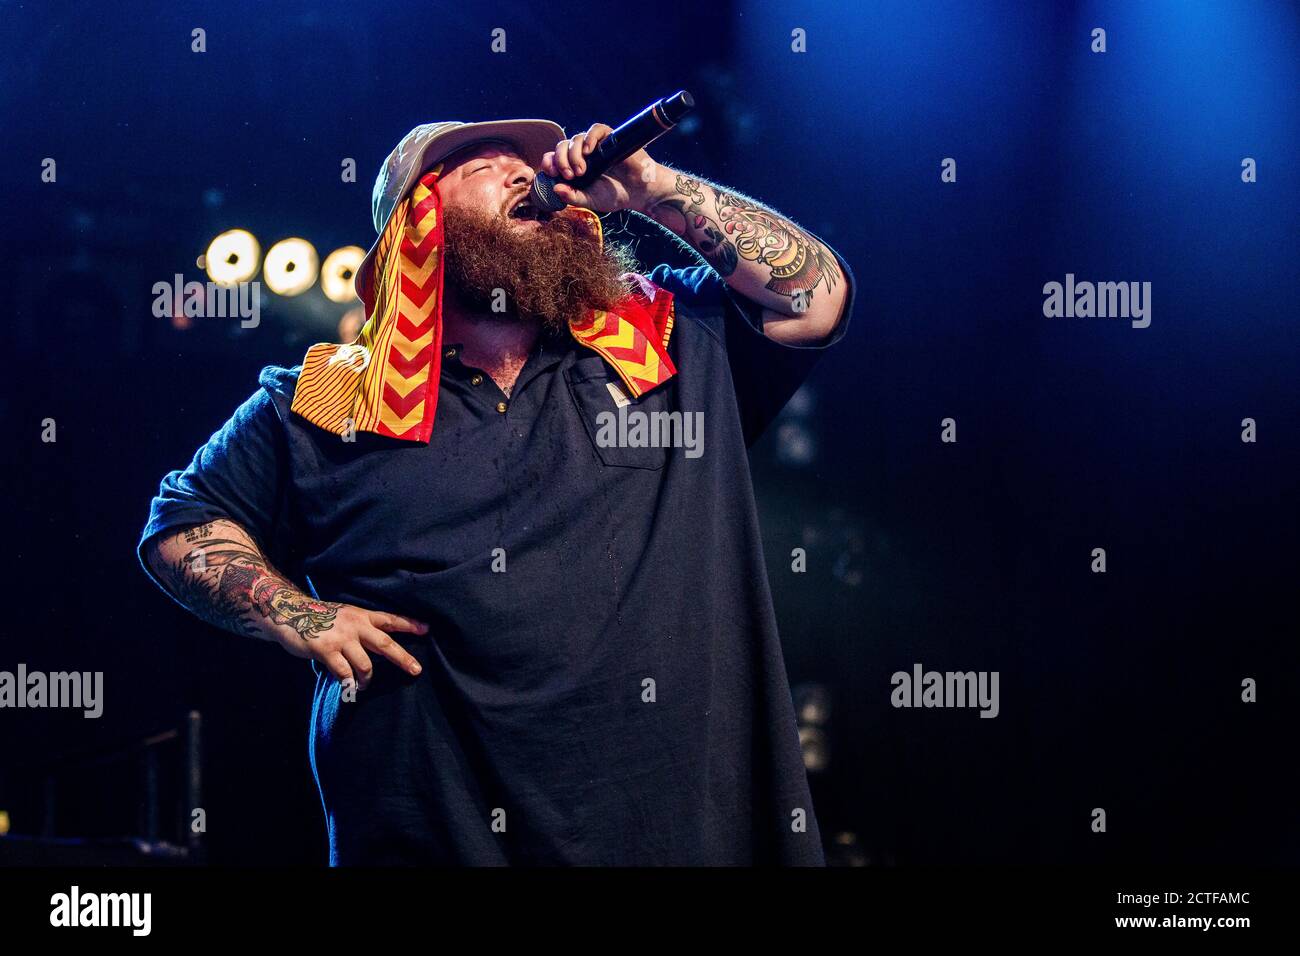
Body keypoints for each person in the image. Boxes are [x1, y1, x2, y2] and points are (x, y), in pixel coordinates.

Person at [138, 116, 856, 865]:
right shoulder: (325, 402)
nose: (525, 173)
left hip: (668, 832)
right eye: (484, 165)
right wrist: (296, 612)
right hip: (431, 836)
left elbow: (817, 295)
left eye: (525, 161)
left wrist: (654, 188)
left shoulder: (667, 339)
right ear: (419, 222)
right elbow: (181, 525)